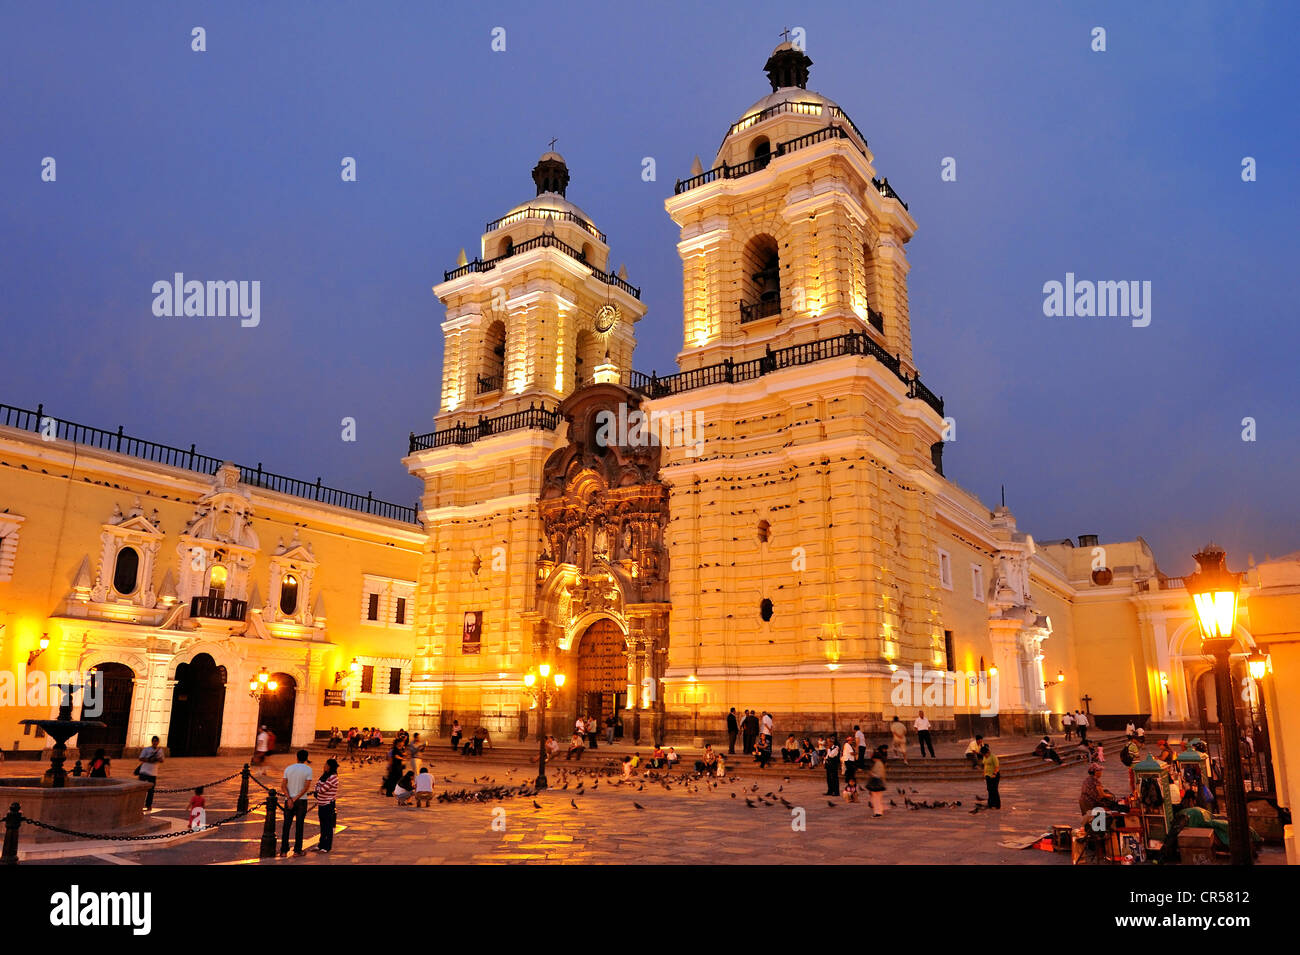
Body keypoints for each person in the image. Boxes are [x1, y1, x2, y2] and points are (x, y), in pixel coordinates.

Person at [280, 749, 314, 857]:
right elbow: (306, 787)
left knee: (286, 825)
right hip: (301, 800)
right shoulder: (308, 770)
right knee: (299, 825)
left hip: (288, 800)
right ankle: (297, 850)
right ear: (306, 758)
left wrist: (289, 798)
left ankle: (283, 851)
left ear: (297, 757)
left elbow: (283, 785)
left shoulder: (288, 768)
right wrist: (295, 799)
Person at [314, 758, 339, 852]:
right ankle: (321, 844)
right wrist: (318, 788)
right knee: (322, 825)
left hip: (328, 804)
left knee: (328, 826)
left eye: (326, 765)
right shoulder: (324, 776)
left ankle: (327, 846)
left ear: (330, 767)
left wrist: (318, 788)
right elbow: (316, 786)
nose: (324, 766)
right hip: (321, 803)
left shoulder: (333, 777)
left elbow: (321, 789)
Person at [136, 736, 165, 811]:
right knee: (141, 789)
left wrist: (157, 759)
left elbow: (162, 760)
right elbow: (141, 758)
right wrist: (149, 759)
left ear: (158, 742)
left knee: (151, 791)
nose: (155, 742)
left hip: (153, 773)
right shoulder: (146, 749)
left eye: (156, 741)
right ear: (152, 741)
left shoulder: (160, 750)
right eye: (154, 741)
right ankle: (138, 804)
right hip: (144, 771)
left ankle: (148, 805)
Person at [867, 745, 889, 816]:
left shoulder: (878, 764)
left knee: (876, 799)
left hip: (877, 783)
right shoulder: (880, 764)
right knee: (878, 798)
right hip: (879, 783)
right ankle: (880, 810)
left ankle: (878, 812)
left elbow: (878, 775)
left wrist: (871, 773)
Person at [981, 744, 1001, 810]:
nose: (984, 756)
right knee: (989, 790)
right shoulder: (984, 757)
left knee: (994, 790)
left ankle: (997, 805)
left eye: (984, 754)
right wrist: (984, 773)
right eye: (983, 755)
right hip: (988, 776)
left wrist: (994, 774)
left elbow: (997, 767)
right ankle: (990, 804)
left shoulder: (993, 757)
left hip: (994, 776)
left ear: (988, 752)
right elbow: (985, 765)